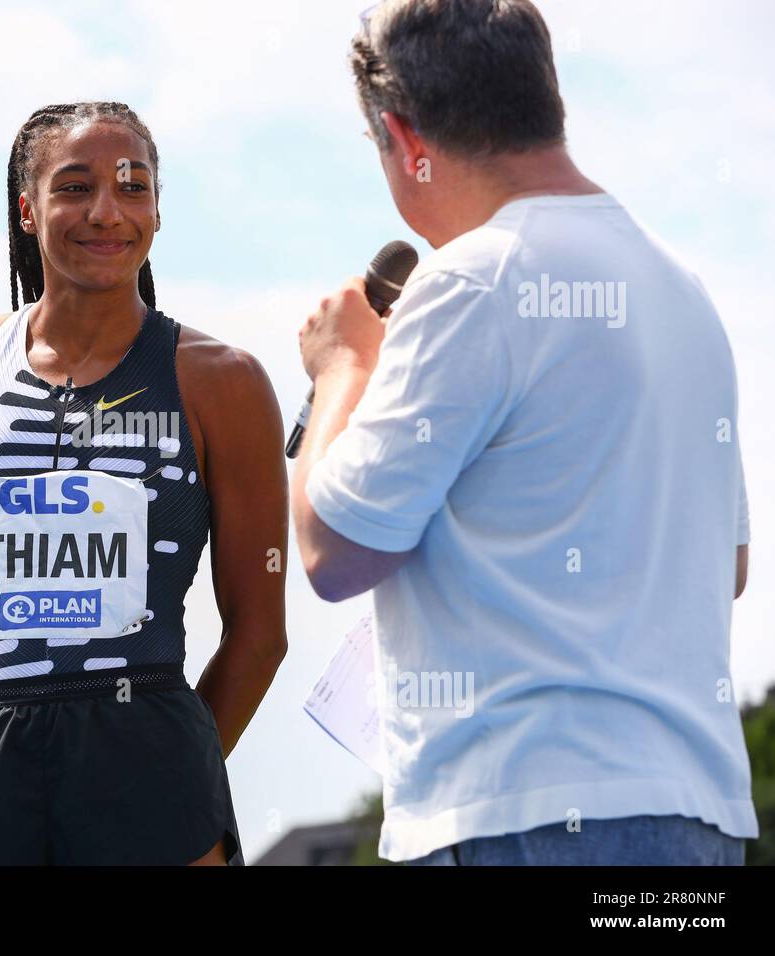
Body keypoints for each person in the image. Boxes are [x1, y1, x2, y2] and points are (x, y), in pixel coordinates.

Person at [292, 0, 755, 865]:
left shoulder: (471, 282)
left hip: (523, 817)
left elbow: (332, 548)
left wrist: (342, 370)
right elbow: (723, 566)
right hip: (696, 817)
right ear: (545, 97)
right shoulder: (682, 290)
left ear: (402, 136)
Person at [0, 101, 288, 865]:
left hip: (155, 768)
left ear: (156, 208)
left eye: (132, 187)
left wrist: (170, 769)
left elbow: (260, 634)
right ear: (28, 209)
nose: (106, 212)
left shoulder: (221, 382)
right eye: (74, 187)